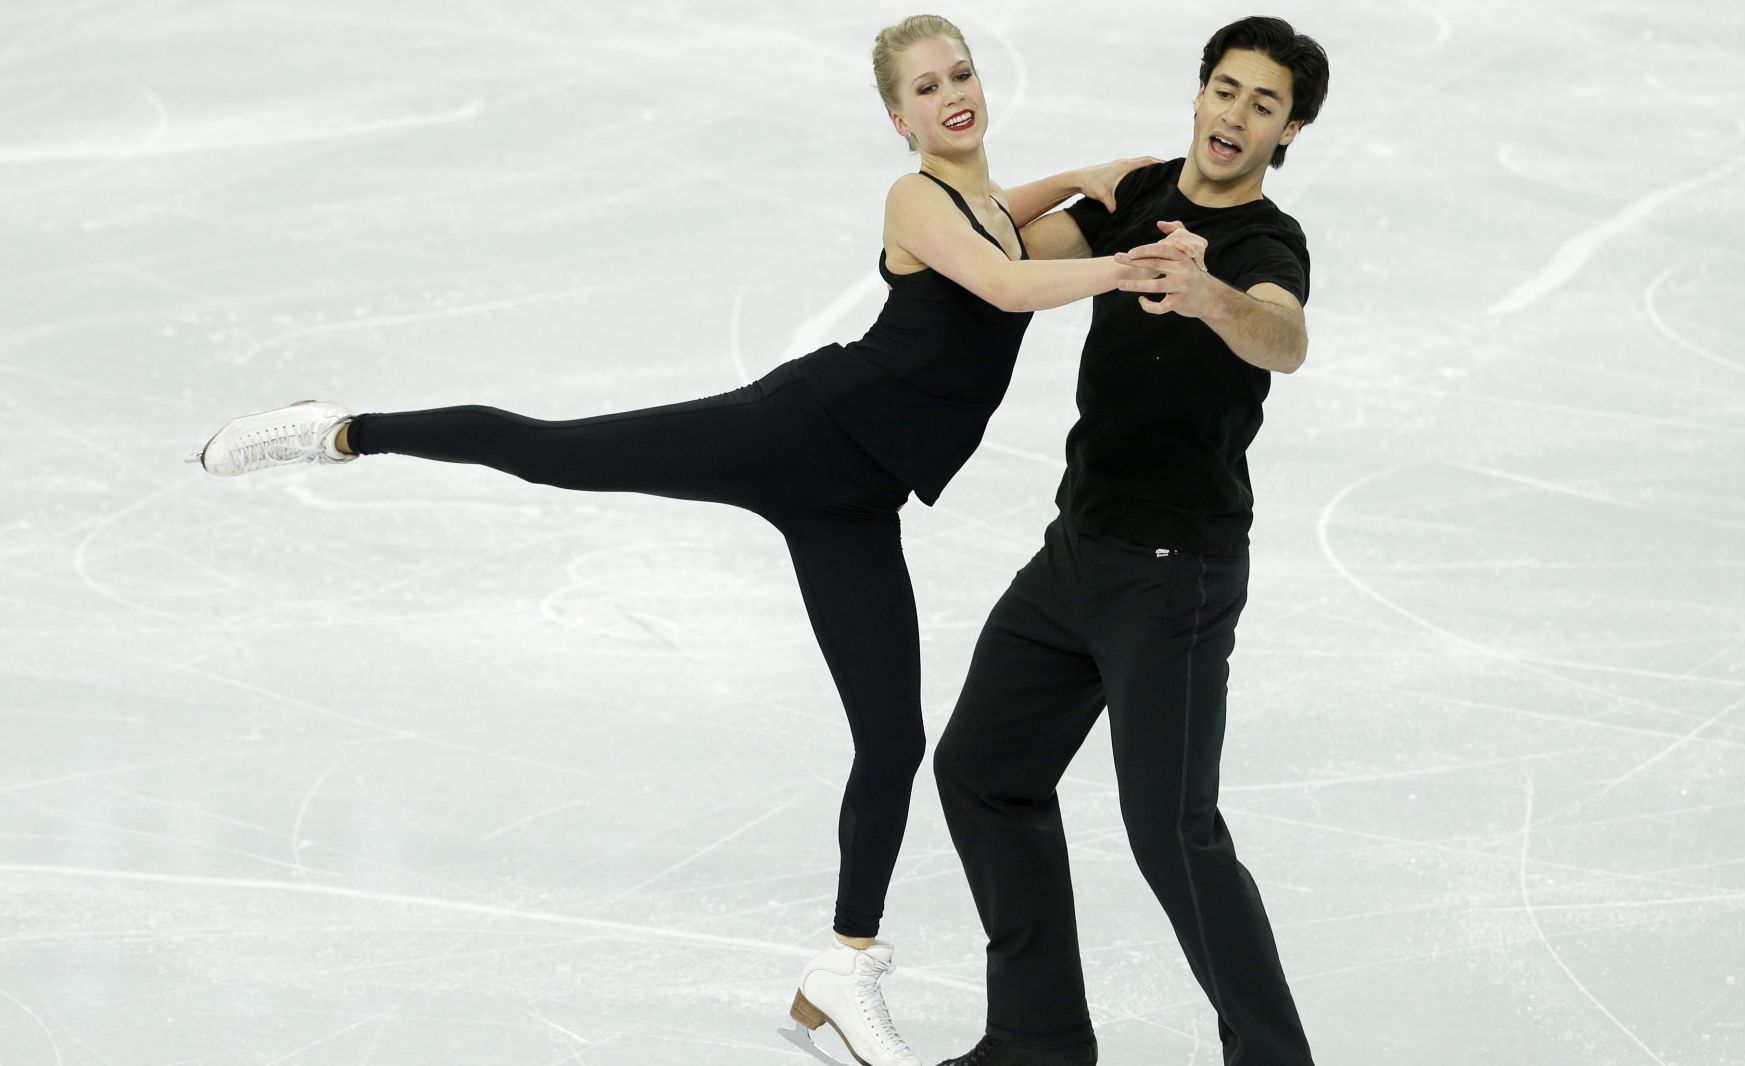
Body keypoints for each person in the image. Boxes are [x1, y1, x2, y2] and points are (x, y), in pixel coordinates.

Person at [185, 15, 1159, 1066]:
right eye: (925, 89)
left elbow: (1027, 239)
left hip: (854, 504)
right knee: (549, 450)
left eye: (960, 73)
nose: (951, 94)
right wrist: (1106, 248)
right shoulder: (915, 200)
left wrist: (1099, 185)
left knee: (892, 738)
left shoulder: (983, 210)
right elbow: (1012, 280)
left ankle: (843, 964)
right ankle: (340, 430)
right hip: (794, 433)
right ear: (897, 117)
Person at [928, 16, 1329, 1066]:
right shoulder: (1141, 195)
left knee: (1172, 836)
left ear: (1287, 134)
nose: (1236, 115)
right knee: (982, 767)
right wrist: (1067, 180)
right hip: (1076, 552)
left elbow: (1282, 339)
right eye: (1226, 90)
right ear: (1197, 94)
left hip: (1174, 577)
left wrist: (1205, 295)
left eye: (1264, 104)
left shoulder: (1262, 246)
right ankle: (1039, 1035)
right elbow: (1000, 257)